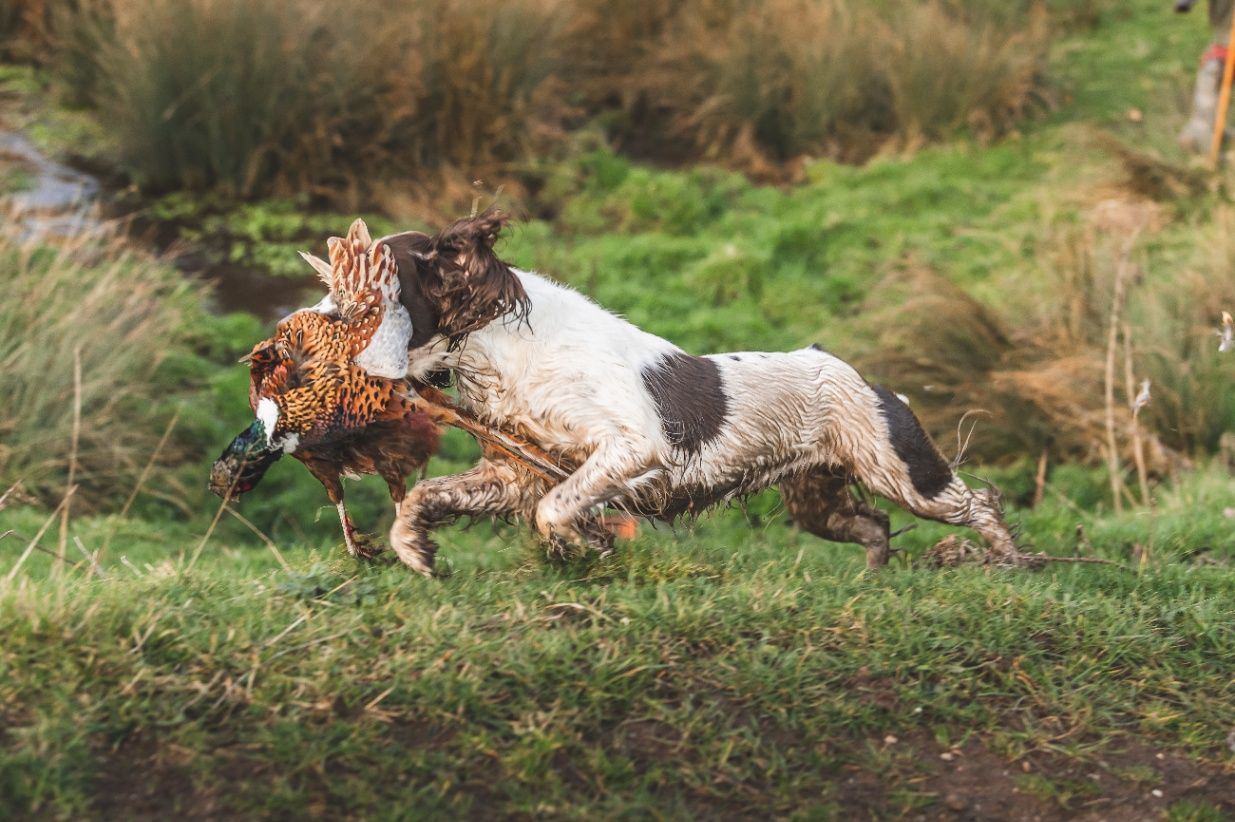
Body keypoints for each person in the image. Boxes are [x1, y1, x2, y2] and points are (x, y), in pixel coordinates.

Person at [1177, 0, 1235, 152]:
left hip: (1224, 47)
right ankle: (1214, 141)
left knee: (1206, 99)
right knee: (1208, 96)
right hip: (1224, 46)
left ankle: (1203, 141)